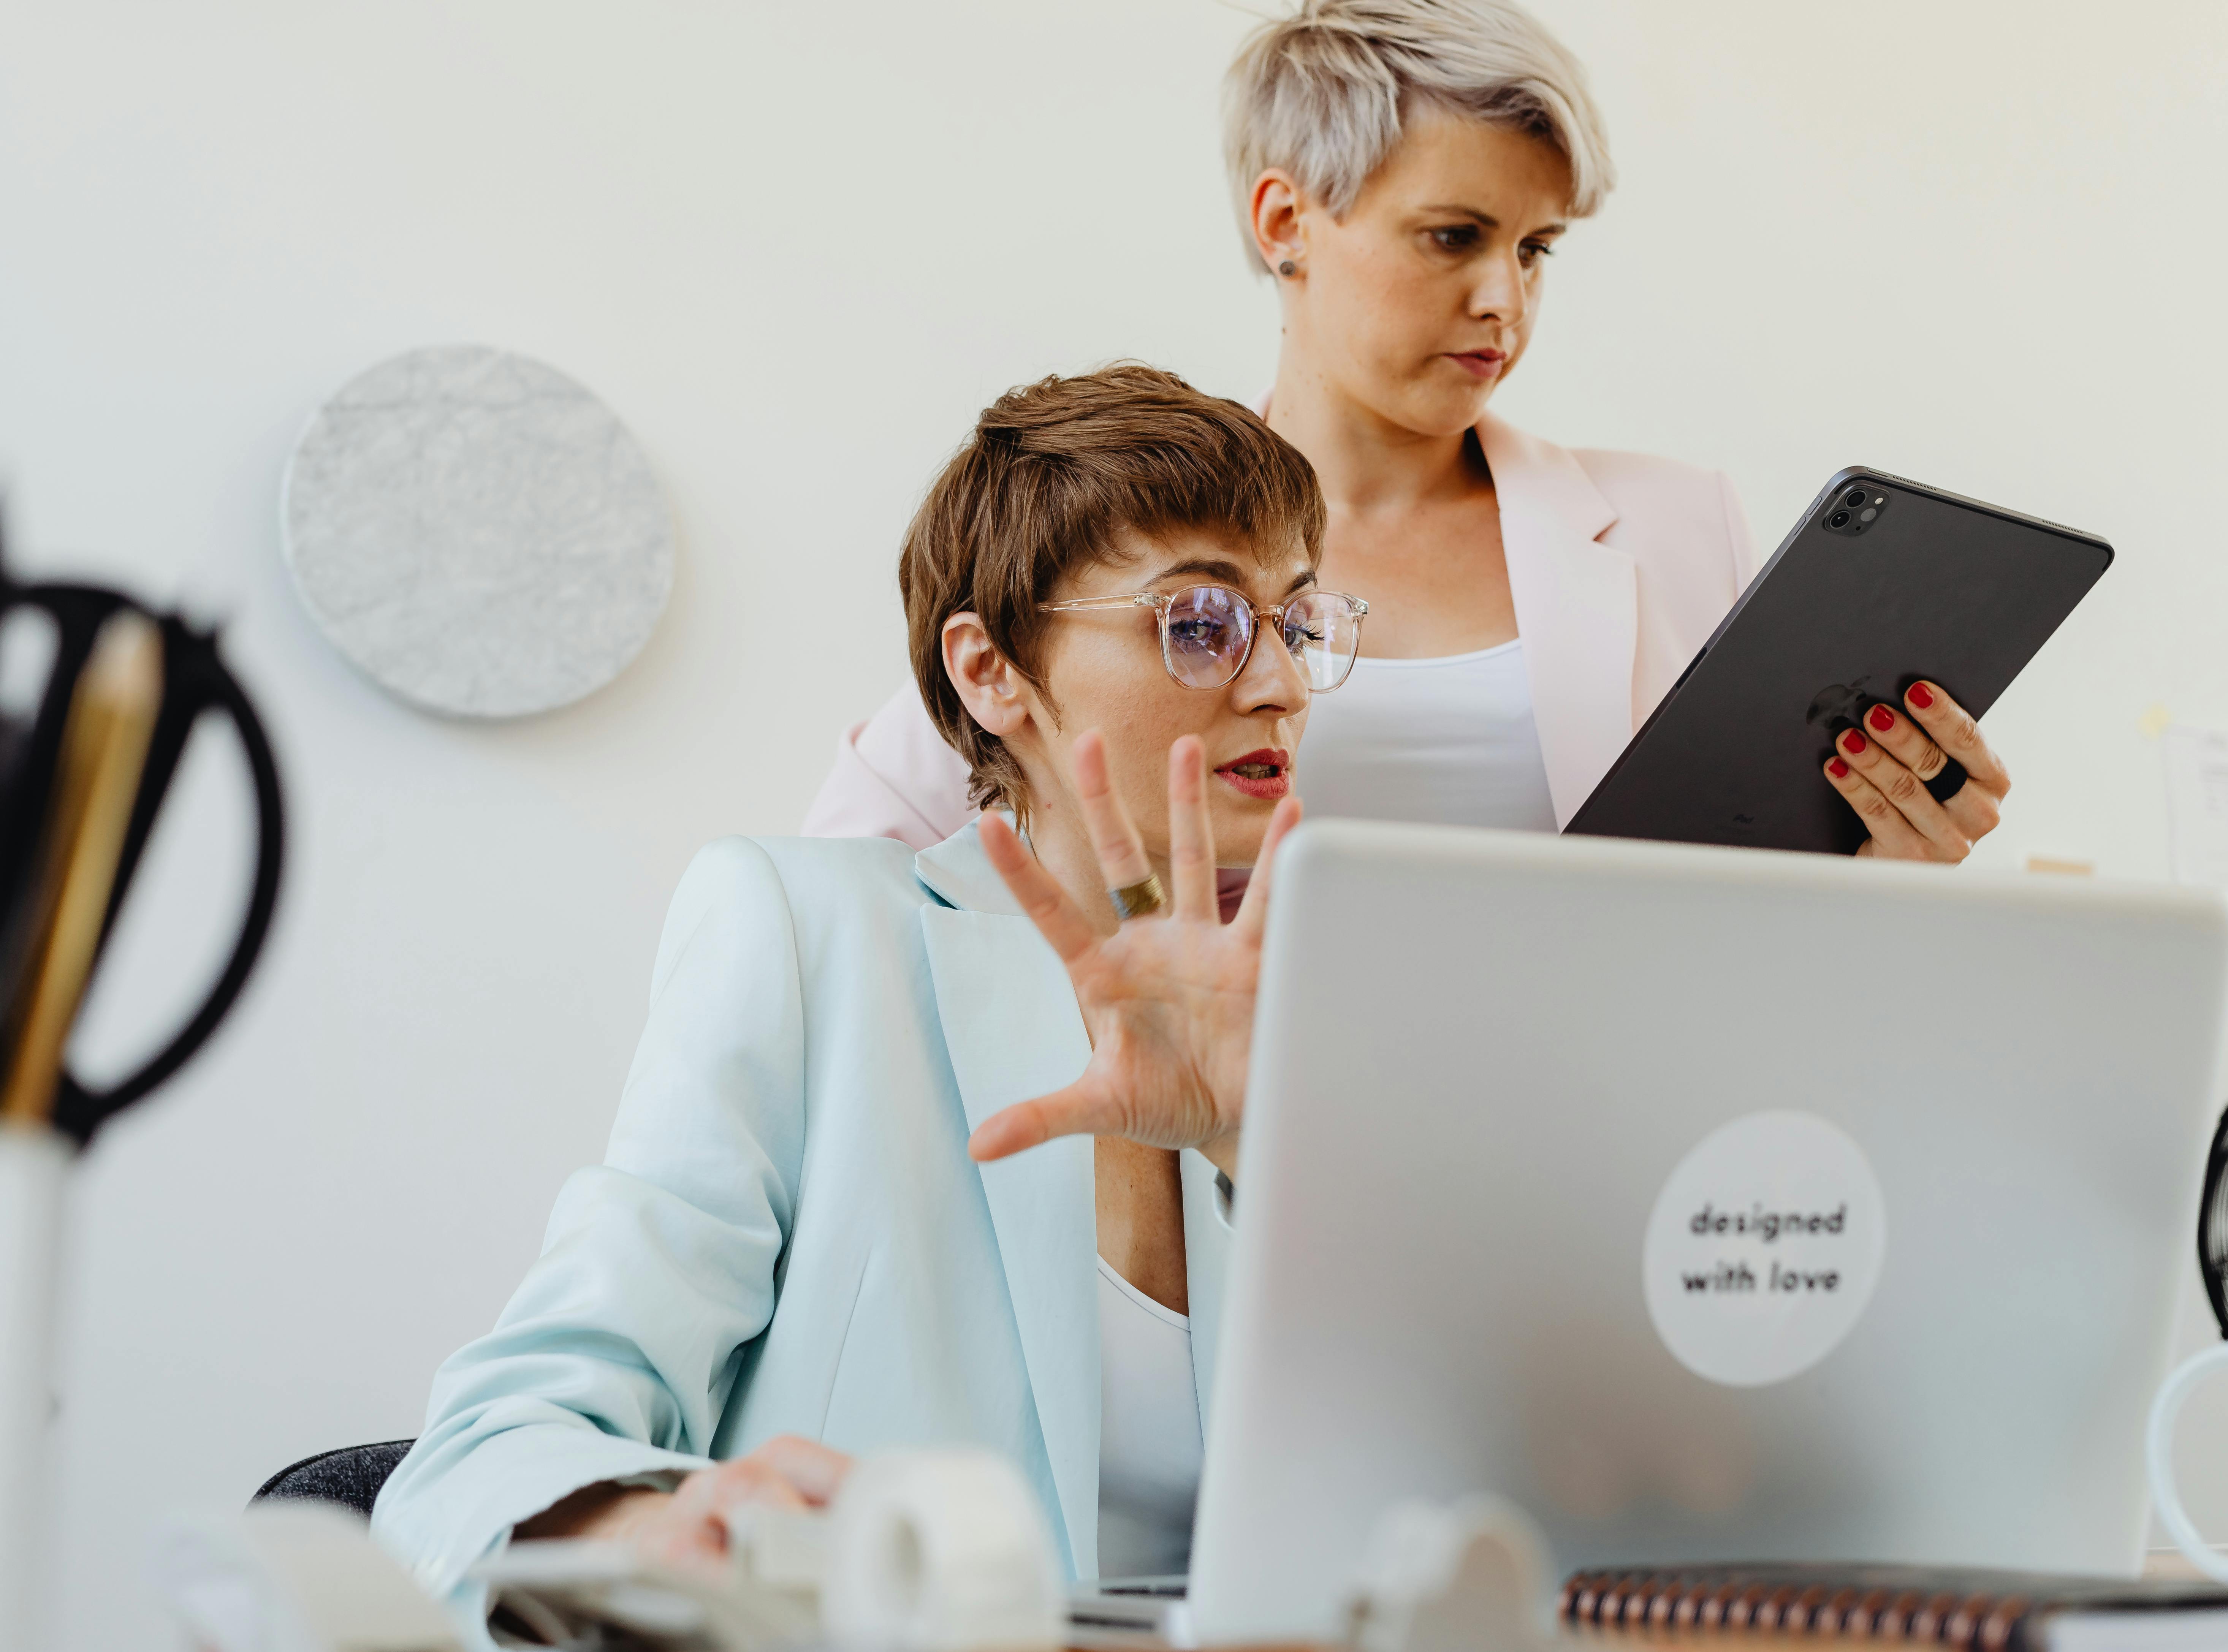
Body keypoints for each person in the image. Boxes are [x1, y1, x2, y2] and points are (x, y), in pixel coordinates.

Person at [371, 366, 1354, 1641]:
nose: (1277, 681)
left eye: (1299, 621)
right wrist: (655, 1529)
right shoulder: (806, 930)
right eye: (1203, 621)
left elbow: (1459, 1478)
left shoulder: (1333, 1010)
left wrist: (1241, 1143)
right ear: (993, 670)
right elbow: (492, 1443)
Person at [803, 0, 2010, 864]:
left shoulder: (1674, 524)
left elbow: (1748, 917)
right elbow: (850, 861)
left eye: (1535, 250)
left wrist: (1886, 872)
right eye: (1452, 236)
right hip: (1227, 1171)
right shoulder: (1117, 535)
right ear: (1286, 216)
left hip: (1587, 1166)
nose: (1504, 300)